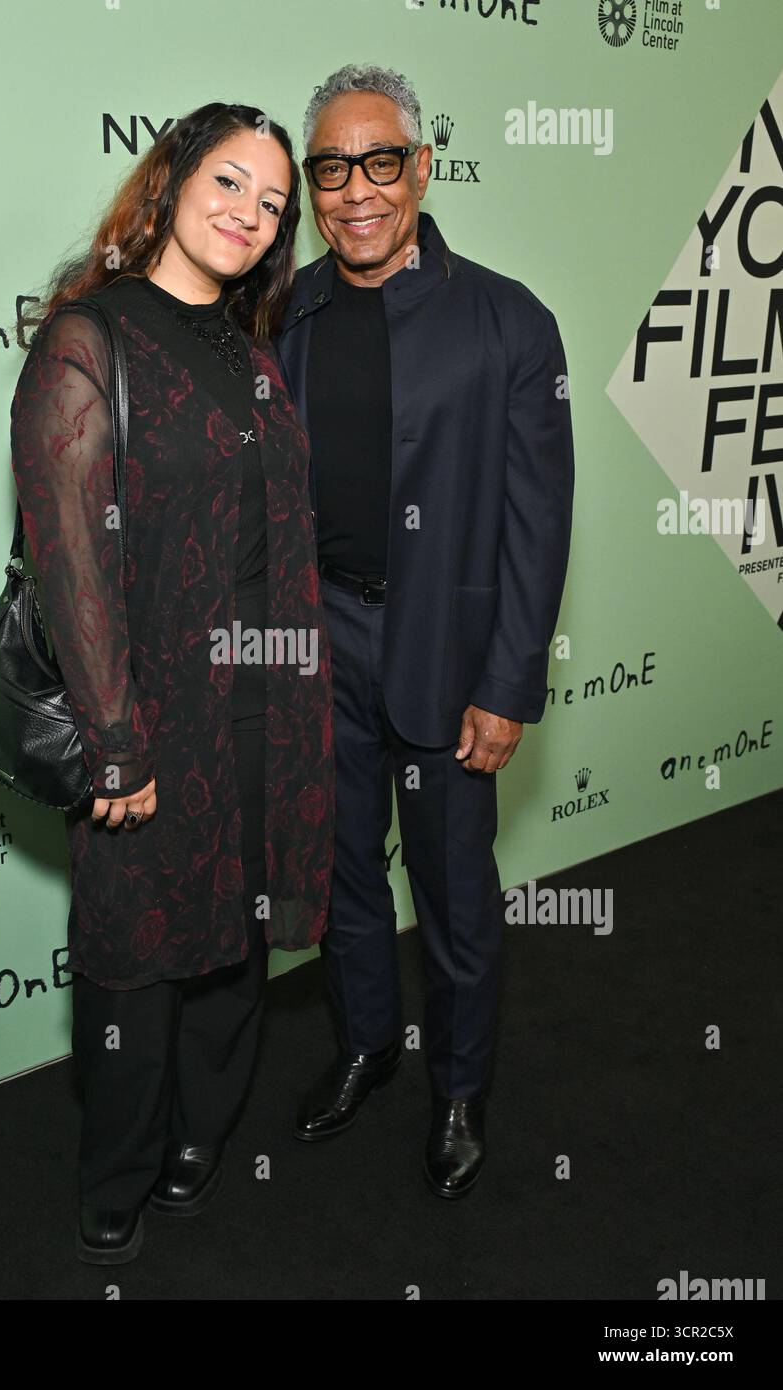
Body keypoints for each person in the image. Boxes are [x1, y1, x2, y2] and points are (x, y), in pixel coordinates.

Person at [9, 102, 334, 1263]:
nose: (252, 212)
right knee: (136, 958)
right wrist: (115, 741)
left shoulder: (248, 347)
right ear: (175, 175)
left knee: (236, 945)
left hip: (265, 704)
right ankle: (119, 1168)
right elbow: (69, 557)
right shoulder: (89, 339)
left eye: (273, 203)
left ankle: (202, 1136)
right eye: (232, 182)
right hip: (150, 717)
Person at [274, 65, 574, 1198]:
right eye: (333, 169)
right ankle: (365, 1046)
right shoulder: (287, 311)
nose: (357, 191)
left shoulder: (509, 319)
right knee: (343, 872)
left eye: (381, 161)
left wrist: (508, 686)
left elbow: (537, 529)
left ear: (423, 166)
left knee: (452, 890)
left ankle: (458, 1089)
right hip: (321, 648)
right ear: (314, 185)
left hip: (449, 659)